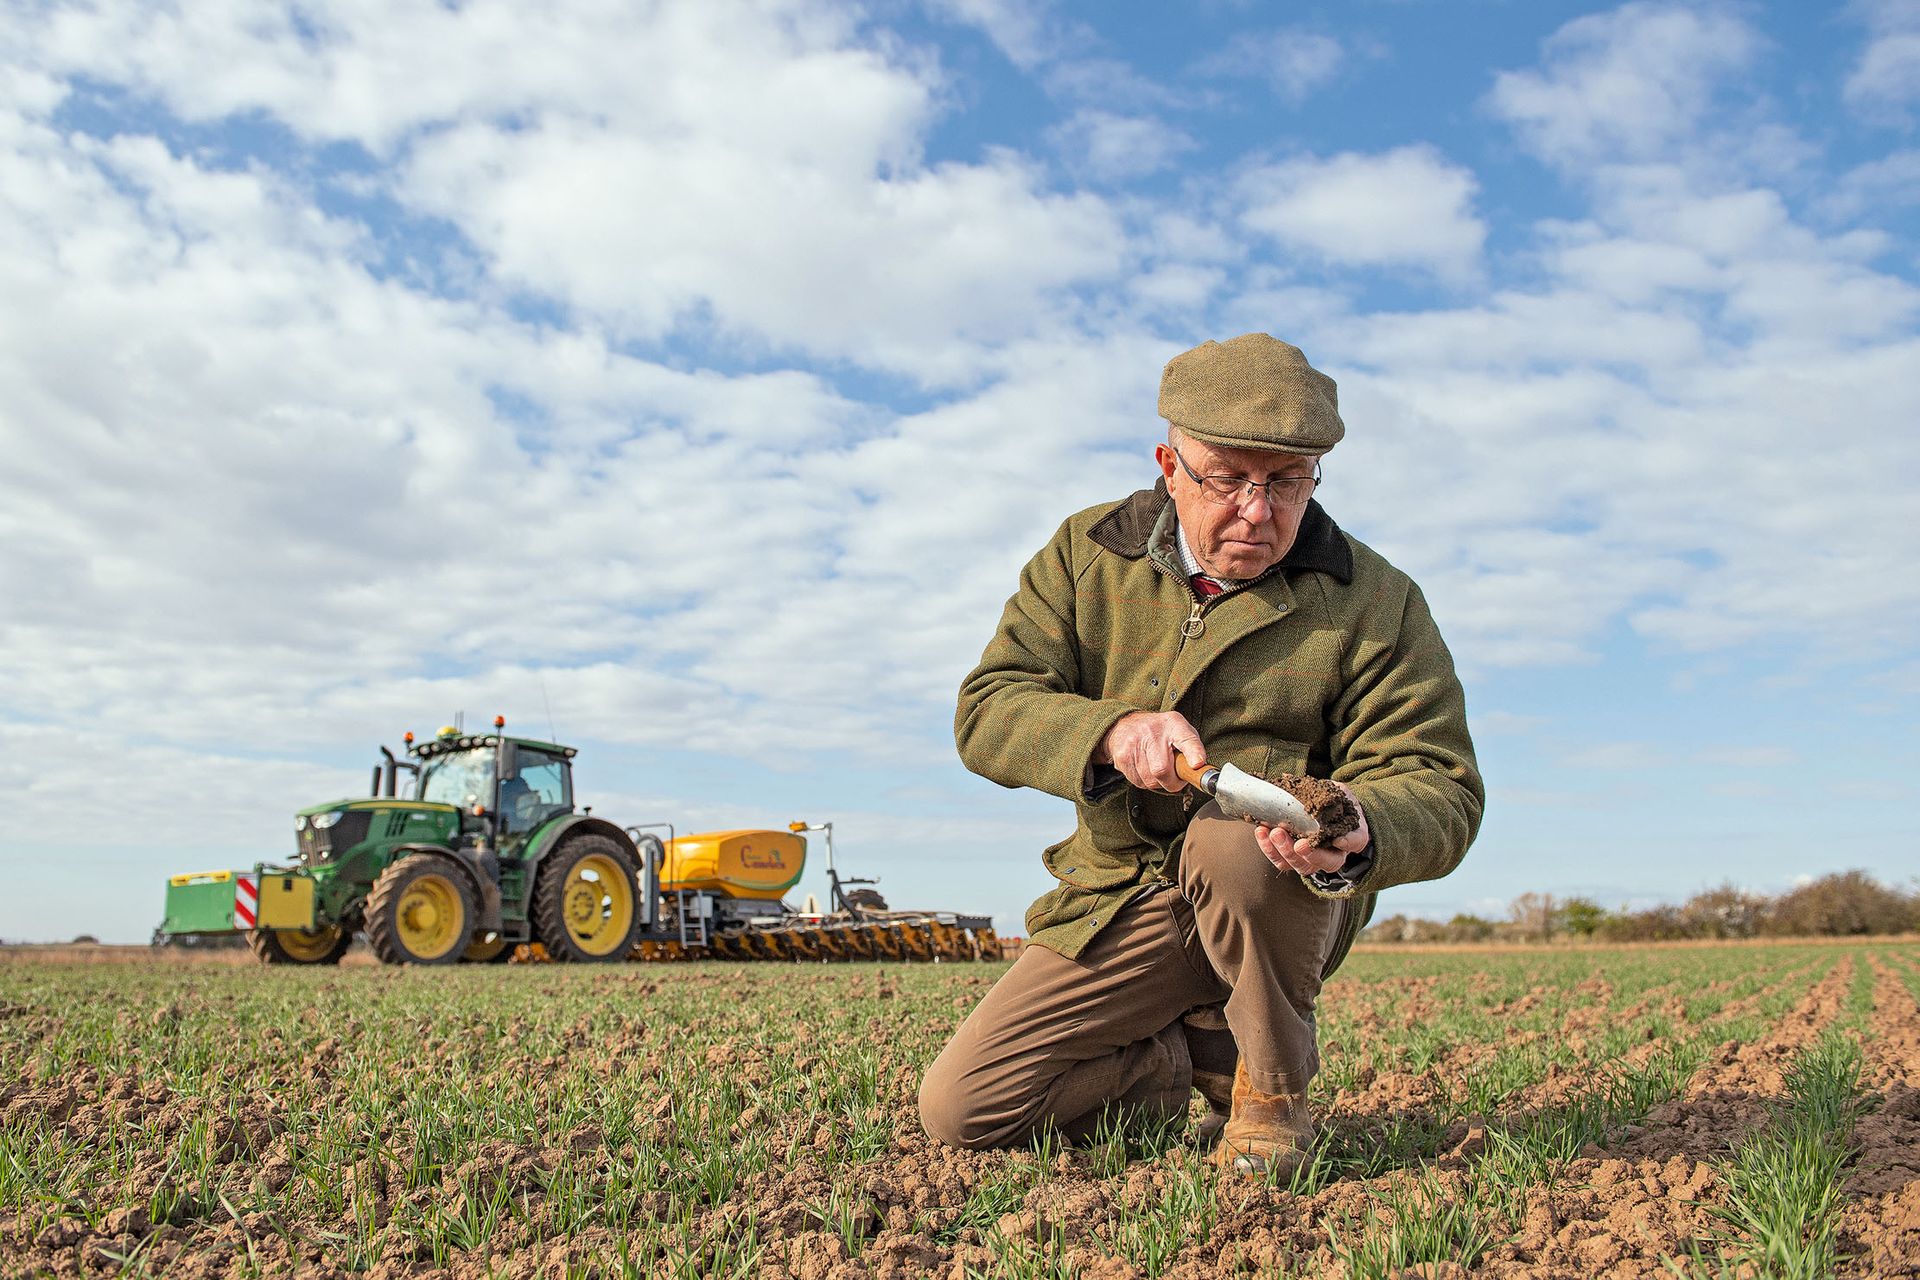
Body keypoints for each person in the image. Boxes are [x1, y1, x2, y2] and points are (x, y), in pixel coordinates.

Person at [918, 333, 1483, 1177]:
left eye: (1287, 481)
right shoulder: (1086, 556)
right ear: (1168, 464)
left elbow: (1438, 782)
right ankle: (1185, 1057)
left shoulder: (1376, 601)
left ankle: (1271, 1090)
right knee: (966, 1108)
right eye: (1227, 478)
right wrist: (1109, 731)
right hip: (1120, 897)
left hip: (1273, 892)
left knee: (1232, 840)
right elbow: (988, 708)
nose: (1258, 511)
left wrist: (1361, 824)